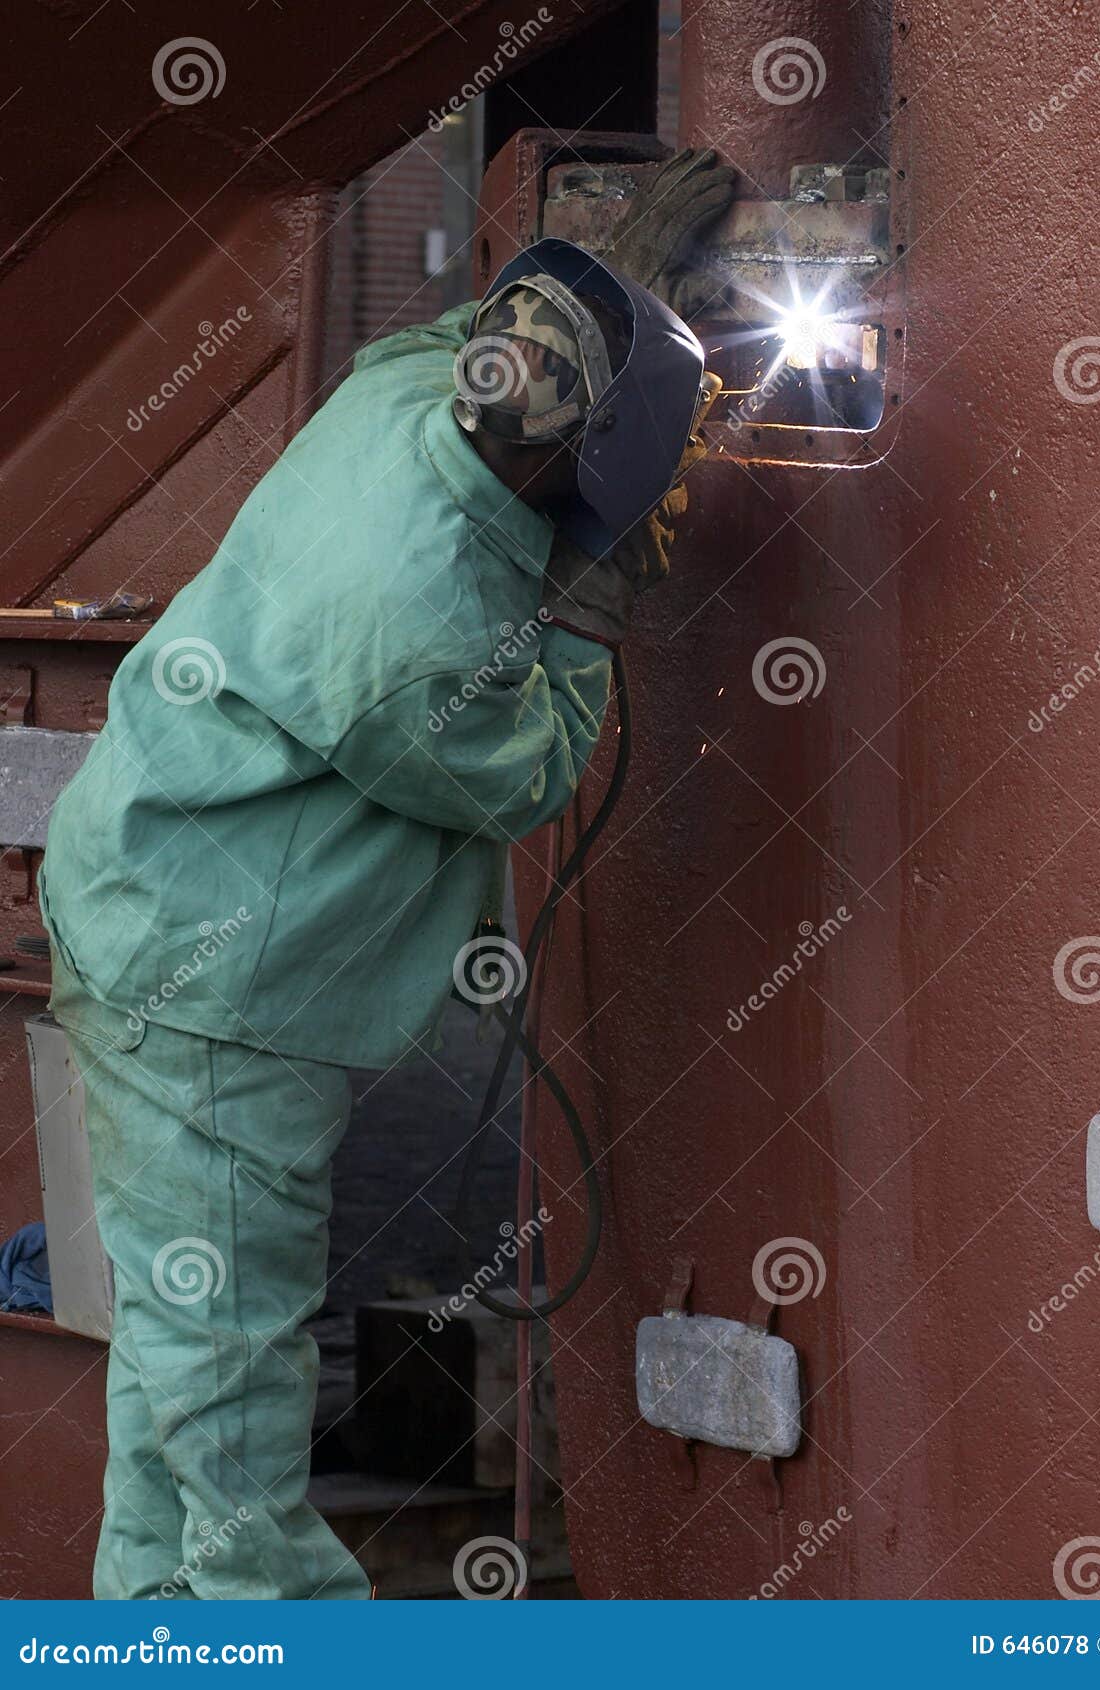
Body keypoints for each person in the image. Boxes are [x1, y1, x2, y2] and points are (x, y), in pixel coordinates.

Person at [37, 149, 733, 1600]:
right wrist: (601, 599)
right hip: (209, 993)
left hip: (155, 897)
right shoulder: (415, 639)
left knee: (178, 1394)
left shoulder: (408, 385)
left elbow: (478, 333)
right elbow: (537, 763)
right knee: (230, 1426)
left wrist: (608, 288)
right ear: (565, 473)